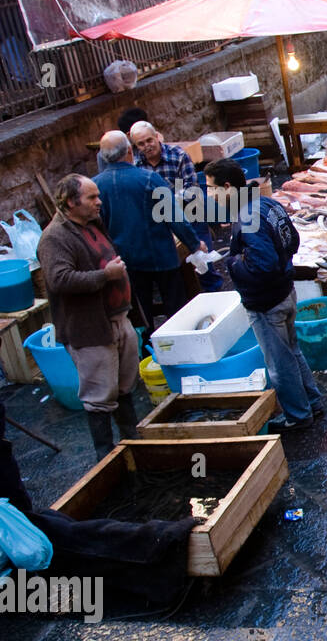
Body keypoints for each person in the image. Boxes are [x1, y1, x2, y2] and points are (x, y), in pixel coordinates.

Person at [206, 159, 322, 434]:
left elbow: (263, 264)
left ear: (226, 187)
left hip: (268, 303)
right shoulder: (268, 204)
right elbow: (292, 240)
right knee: (292, 351)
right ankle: (313, 403)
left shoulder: (247, 216)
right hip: (285, 293)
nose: (208, 195)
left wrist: (233, 262)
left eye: (210, 189)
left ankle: (297, 415)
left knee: (279, 364)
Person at [37, 175, 140, 459]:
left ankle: (133, 441)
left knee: (123, 385)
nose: (99, 202)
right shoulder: (54, 237)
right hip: (91, 328)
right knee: (99, 394)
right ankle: (105, 457)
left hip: (117, 320)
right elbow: (60, 280)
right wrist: (106, 276)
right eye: (92, 198)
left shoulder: (92, 224)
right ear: (72, 202)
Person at [93, 131, 202, 338]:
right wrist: (194, 244)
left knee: (141, 313)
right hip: (160, 255)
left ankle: (148, 353)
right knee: (176, 310)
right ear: (129, 151)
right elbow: (175, 218)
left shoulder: (96, 185)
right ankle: (181, 347)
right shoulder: (149, 178)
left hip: (125, 260)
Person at [129, 120, 221, 292]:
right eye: (141, 144)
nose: (147, 146)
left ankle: (216, 295)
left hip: (190, 214)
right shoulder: (136, 165)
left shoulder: (178, 156)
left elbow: (190, 190)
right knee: (176, 270)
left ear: (157, 137)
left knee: (204, 262)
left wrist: (166, 202)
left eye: (149, 140)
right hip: (161, 220)